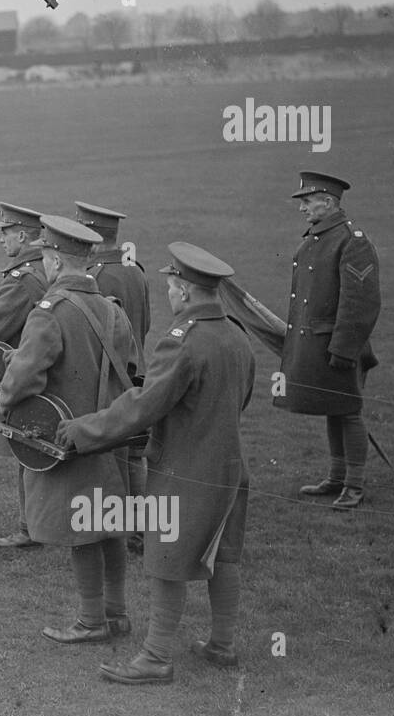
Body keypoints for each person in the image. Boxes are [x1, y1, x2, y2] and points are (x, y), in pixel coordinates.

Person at [56, 243, 256, 685]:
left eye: (171, 287)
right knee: (225, 557)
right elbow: (240, 397)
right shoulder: (237, 335)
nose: (169, 295)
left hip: (184, 470)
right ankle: (222, 645)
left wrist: (83, 430)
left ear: (184, 291)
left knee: (166, 560)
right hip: (230, 466)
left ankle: (156, 657)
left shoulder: (182, 342)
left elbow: (142, 407)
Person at [0, 215, 138, 642]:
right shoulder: (114, 311)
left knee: (81, 531)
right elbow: (131, 369)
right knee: (110, 526)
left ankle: (90, 621)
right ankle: (116, 614)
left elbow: (22, 382)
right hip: (110, 436)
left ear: (54, 261)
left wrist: (5, 400)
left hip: (67, 438)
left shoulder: (49, 313)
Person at [276, 172, 380, 510]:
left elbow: (360, 303)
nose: (302, 208)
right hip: (320, 343)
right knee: (334, 411)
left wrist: (344, 349)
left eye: (307, 201)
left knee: (348, 411)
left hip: (338, 345)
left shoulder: (351, 240)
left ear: (329, 202)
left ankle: (354, 484)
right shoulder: (320, 237)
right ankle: (337, 477)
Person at [76, 200, 152, 551]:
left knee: (118, 457)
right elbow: (145, 324)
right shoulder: (133, 268)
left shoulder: (97, 277)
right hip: (138, 372)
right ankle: (139, 531)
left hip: (113, 377)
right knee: (135, 455)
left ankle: (128, 532)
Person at [0, 203, 49, 548]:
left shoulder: (22, 279)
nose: (1, 240)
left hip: (24, 377)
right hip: (44, 374)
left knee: (26, 451)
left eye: (4, 233)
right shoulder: (42, 269)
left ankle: (29, 529)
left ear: (22, 235)